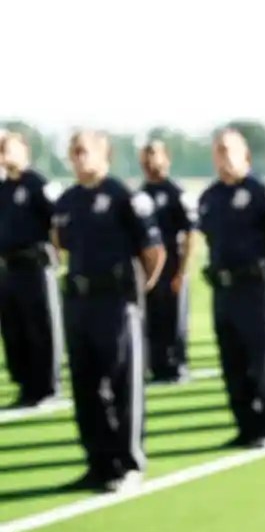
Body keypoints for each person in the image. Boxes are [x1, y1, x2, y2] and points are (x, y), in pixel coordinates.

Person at [52, 130, 165, 492]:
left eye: (84, 151)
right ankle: (98, 462)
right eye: (73, 152)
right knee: (86, 385)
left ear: (104, 154)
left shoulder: (124, 197)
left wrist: (134, 292)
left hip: (116, 302)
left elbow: (153, 252)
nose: (77, 158)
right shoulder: (68, 200)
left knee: (122, 383)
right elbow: (61, 244)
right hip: (79, 301)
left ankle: (128, 462)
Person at [196, 128, 265, 448]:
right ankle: (245, 423)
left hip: (256, 286)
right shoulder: (209, 198)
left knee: (263, 357)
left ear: (245, 156)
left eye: (229, 150)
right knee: (232, 358)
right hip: (224, 288)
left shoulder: (262, 193)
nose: (223, 157)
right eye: (218, 151)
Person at [0, 130, 62, 408]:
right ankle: (25, 384)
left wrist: (58, 258)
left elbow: (58, 222)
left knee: (40, 327)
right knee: (14, 328)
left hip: (35, 267)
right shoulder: (3, 189)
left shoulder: (37, 183)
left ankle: (46, 385)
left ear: (22, 150)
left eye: (6, 147)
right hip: (8, 268)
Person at [138, 140, 195, 383]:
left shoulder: (176, 193)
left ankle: (175, 366)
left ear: (166, 158)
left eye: (154, 154)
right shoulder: (140, 195)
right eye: (146, 155)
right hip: (148, 268)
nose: (150, 160)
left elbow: (191, 234)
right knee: (151, 318)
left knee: (174, 317)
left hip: (172, 265)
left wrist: (183, 271)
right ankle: (155, 364)